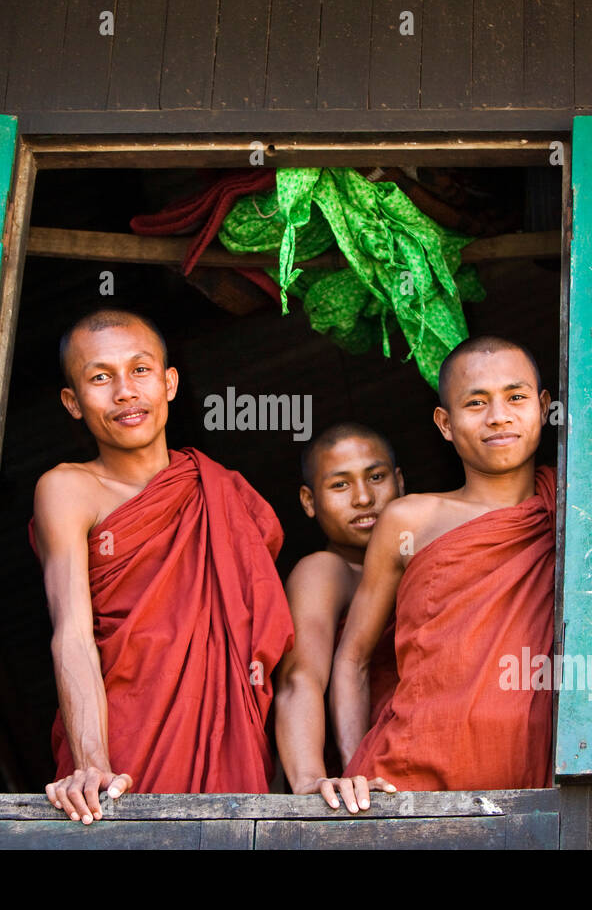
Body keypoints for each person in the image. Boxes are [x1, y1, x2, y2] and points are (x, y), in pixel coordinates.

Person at [29, 308, 294, 823]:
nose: (125, 392)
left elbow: (271, 645)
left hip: (223, 733)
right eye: (100, 377)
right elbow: (73, 633)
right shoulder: (68, 488)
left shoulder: (219, 492)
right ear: (72, 402)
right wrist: (91, 763)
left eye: (140, 370)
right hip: (121, 733)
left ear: (169, 383)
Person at [330, 335, 557, 793]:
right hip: (408, 776)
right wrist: (356, 771)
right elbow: (353, 657)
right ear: (445, 423)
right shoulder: (410, 519)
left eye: (516, 397)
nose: (499, 416)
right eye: (476, 403)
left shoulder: (573, 511)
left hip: (536, 782)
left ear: (543, 406)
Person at [274, 423, 404, 812]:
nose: (364, 498)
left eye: (376, 477)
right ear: (309, 501)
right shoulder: (326, 570)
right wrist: (309, 779)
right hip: (353, 785)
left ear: (400, 481)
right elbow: (300, 678)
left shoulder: (421, 565)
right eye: (340, 485)